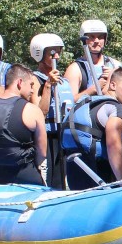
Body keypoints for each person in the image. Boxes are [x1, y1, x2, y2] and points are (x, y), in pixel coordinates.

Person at [61, 66, 122, 189]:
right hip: (97, 173)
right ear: (113, 85)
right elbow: (113, 146)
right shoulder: (116, 108)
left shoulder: (87, 102)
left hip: (74, 168)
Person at [0, 64, 48, 185]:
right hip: (25, 178)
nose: (32, 90)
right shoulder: (32, 110)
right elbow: (42, 152)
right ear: (19, 82)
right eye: (31, 85)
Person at [29, 33, 71, 187]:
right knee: (47, 178)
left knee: (61, 179)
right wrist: (47, 85)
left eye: (59, 51)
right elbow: (39, 112)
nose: (57, 56)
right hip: (46, 134)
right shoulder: (34, 79)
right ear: (40, 53)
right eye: (52, 52)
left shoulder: (64, 80)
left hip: (62, 133)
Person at [66, 19, 120, 100]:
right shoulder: (75, 69)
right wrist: (92, 90)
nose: (96, 41)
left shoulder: (115, 65)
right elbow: (68, 102)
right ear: (83, 40)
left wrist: (114, 76)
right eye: (91, 37)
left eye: (100, 37)